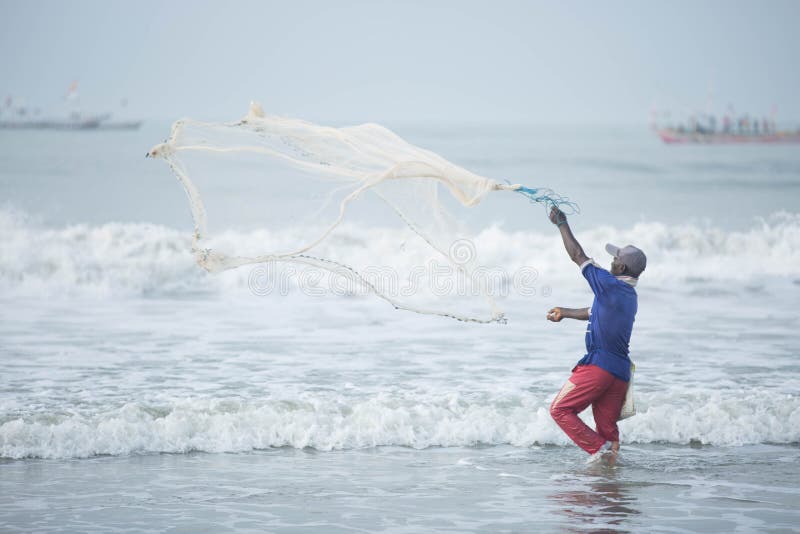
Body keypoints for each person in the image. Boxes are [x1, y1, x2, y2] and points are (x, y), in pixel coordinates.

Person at [546, 206, 646, 463]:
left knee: (560, 409)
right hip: (619, 374)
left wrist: (561, 224)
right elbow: (594, 312)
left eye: (615, 259)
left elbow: (578, 255)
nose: (612, 261)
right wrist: (565, 312)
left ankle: (599, 452)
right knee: (607, 429)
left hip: (600, 367)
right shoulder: (628, 296)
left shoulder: (609, 285)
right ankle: (610, 479)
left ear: (622, 265)